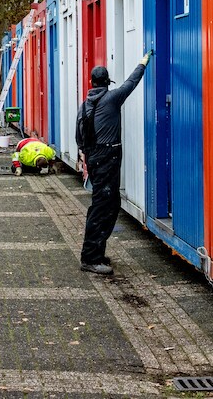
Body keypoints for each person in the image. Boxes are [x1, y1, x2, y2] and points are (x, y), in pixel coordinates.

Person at [75, 51, 151, 275]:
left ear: (92, 82)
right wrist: (143, 62)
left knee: (110, 204)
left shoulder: (84, 105)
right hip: (107, 158)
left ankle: (96, 252)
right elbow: (132, 82)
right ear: (106, 82)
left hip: (96, 158)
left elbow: (79, 136)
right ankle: (90, 258)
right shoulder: (112, 98)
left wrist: (85, 158)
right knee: (101, 208)